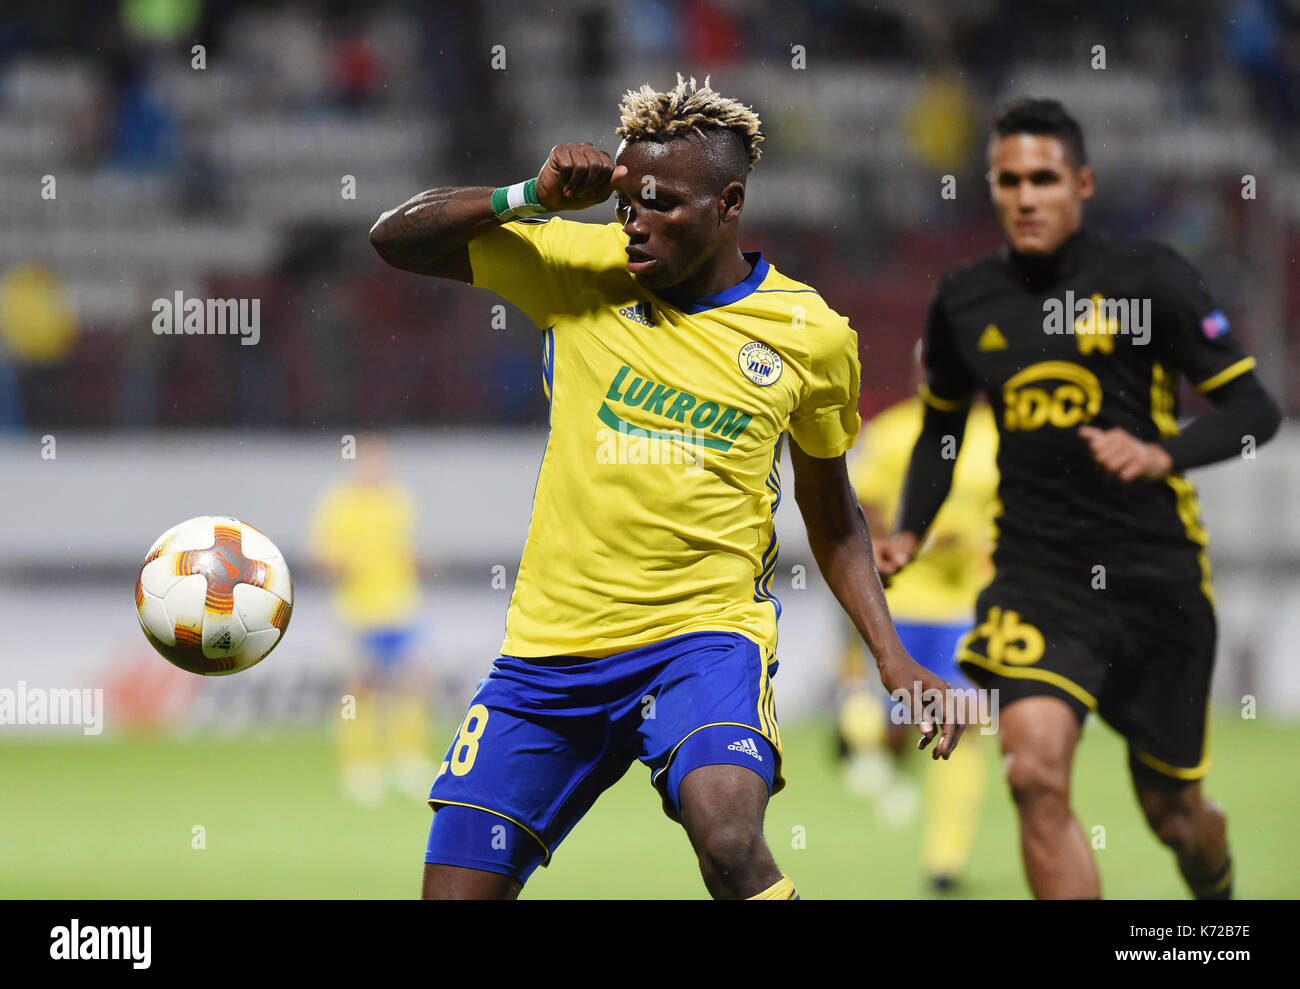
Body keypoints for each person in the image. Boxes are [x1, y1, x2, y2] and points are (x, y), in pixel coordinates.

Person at [369, 75, 962, 900]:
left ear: (729, 205)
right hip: (549, 656)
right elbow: (393, 239)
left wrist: (893, 660)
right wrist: (527, 196)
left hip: (702, 641)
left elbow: (831, 513)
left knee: (728, 837)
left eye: (661, 205)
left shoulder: (813, 337)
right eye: (624, 205)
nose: (634, 222)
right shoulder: (579, 267)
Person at [874, 97, 1282, 899]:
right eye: (1009, 180)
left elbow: (1255, 413)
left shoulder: (1151, 278)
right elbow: (941, 433)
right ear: (991, 187)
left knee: (1173, 813)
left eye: (1045, 179)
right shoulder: (964, 299)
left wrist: (1162, 453)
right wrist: (911, 529)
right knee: (1032, 772)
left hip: (1154, 578)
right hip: (1038, 578)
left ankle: (1216, 888)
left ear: (1083, 182)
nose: (1026, 196)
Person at [836, 348, 998, 889]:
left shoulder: (997, 437)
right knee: (896, 724)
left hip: (969, 607)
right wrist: (904, 542)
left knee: (970, 722)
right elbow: (859, 501)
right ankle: (861, 729)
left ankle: (944, 861)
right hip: (902, 602)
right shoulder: (896, 432)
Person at [308, 436, 431, 804]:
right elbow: (322, 557)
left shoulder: (399, 500)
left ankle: (409, 761)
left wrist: (416, 561)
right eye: (368, 462)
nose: (375, 469)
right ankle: (359, 767)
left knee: (412, 684)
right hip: (357, 613)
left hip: (401, 607)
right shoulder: (338, 503)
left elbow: (407, 548)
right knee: (361, 690)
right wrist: (343, 564)